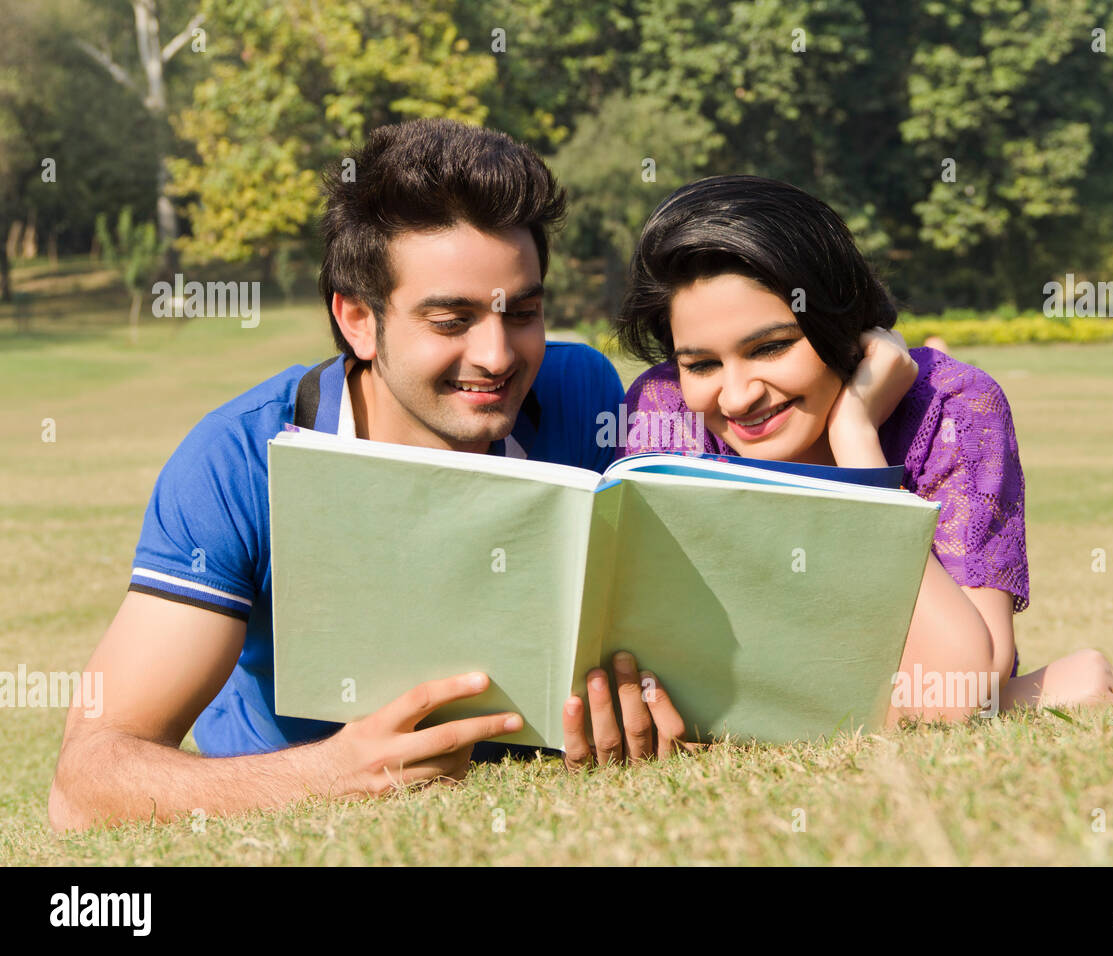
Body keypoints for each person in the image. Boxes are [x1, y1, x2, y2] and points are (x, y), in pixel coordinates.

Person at [47, 118, 686, 832]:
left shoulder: (582, 395)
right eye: (451, 320)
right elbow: (86, 782)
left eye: (524, 312)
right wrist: (326, 774)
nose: (499, 355)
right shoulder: (237, 459)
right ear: (357, 319)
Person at [612, 175, 1113, 722]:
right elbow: (661, 680)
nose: (738, 398)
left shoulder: (952, 409)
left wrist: (857, 441)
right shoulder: (667, 415)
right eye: (701, 364)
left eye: (771, 347)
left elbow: (954, 688)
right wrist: (1017, 697)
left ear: (842, 325)